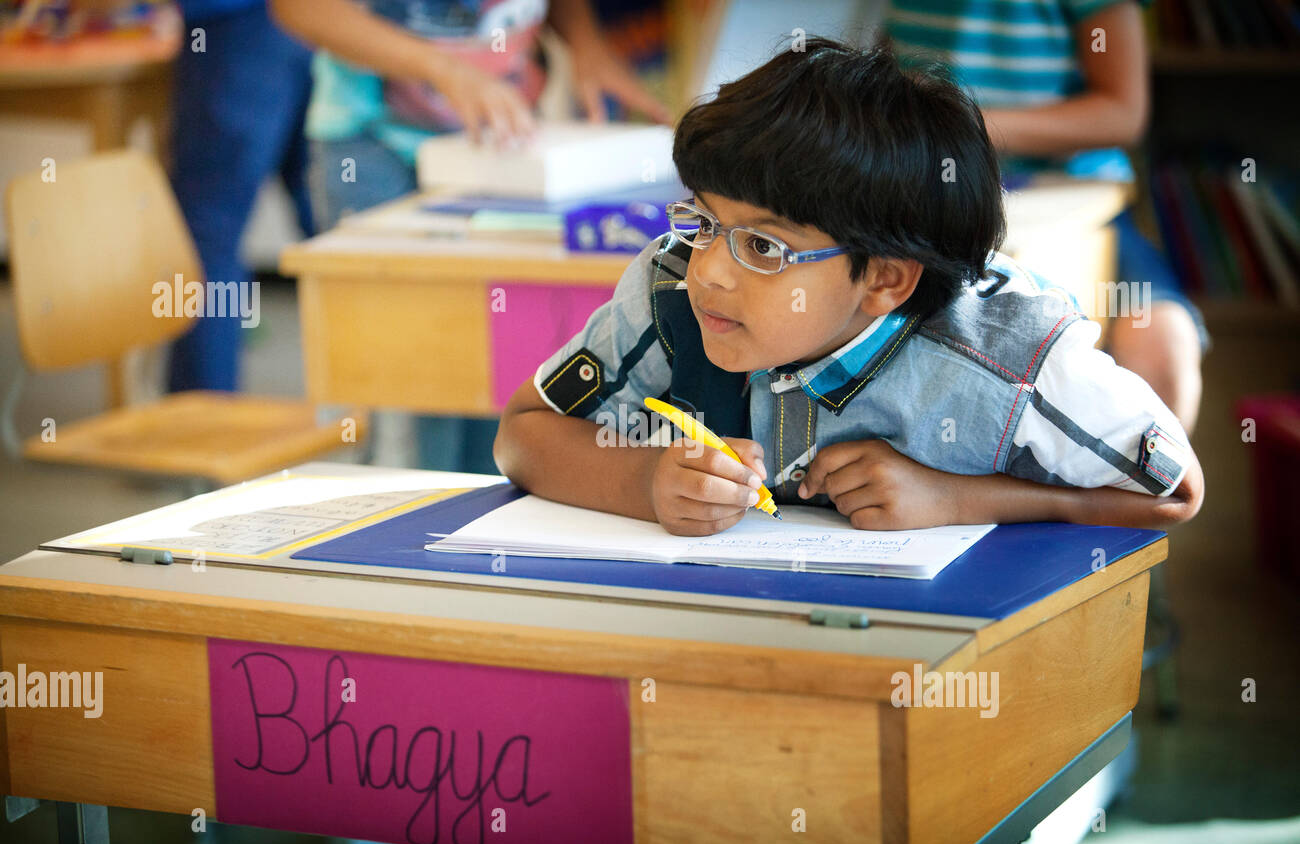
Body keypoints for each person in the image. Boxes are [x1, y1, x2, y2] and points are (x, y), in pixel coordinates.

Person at [493, 40, 1204, 536]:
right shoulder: (672, 284)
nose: (710, 267)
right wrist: (645, 482)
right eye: (705, 220)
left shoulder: (1010, 361)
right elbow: (522, 436)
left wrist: (956, 500)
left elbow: (1173, 492)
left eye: (764, 246)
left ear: (886, 280)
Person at [269, 0, 672, 474]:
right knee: (414, 366)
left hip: (499, 141)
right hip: (372, 140)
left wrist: (587, 47)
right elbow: (301, 9)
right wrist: (444, 70)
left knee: (499, 343)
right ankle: (418, 504)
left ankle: (489, 493)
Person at [883, 0, 1207, 434]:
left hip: (1083, 206)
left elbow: (1123, 112)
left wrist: (967, 127)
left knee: (1163, 345)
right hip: (934, 203)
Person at [167, 0, 316, 393]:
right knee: (327, 226)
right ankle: (385, 418)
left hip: (235, 26)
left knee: (207, 236)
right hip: (313, 28)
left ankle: (199, 425)